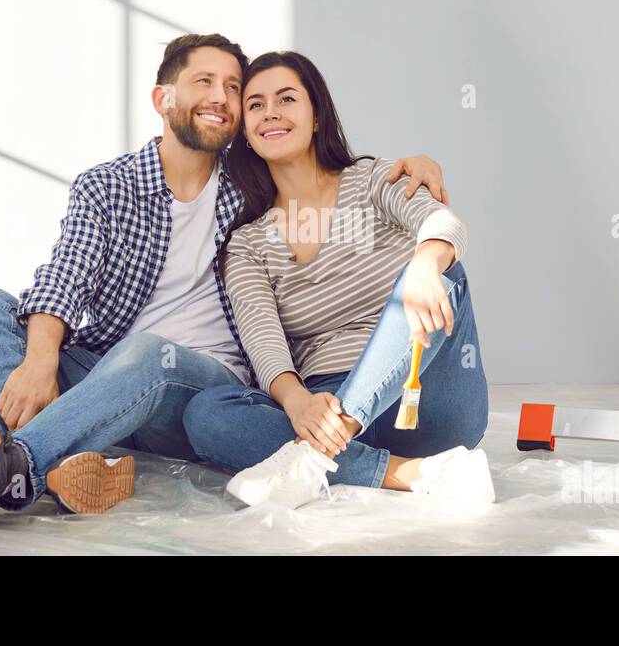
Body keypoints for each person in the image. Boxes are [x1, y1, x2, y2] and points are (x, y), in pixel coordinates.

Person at [0, 35, 448, 523]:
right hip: (109, 384)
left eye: (232, 88)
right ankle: (56, 460)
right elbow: (64, 277)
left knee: (148, 352)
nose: (221, 97)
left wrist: (417, 162)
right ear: (162, 98)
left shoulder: (254, 181)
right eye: (204, 82)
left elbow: (322, 166)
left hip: (206, 388)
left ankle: (16, 468)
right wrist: (42, 360)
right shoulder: (109, 187)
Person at [183, 51, 492, 510]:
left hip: (423, 396)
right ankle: (414, 474)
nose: (271, 112)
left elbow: (440, 222)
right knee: (207, 414)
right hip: (324, 399)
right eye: (255, 105)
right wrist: (298, 404)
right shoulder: (247, 244)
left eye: (287, 99)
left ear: (315, 117)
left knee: (446, 273)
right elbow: (265, 346)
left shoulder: (372, 180)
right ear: (246, 132)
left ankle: (318, 454)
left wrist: (425, 263)